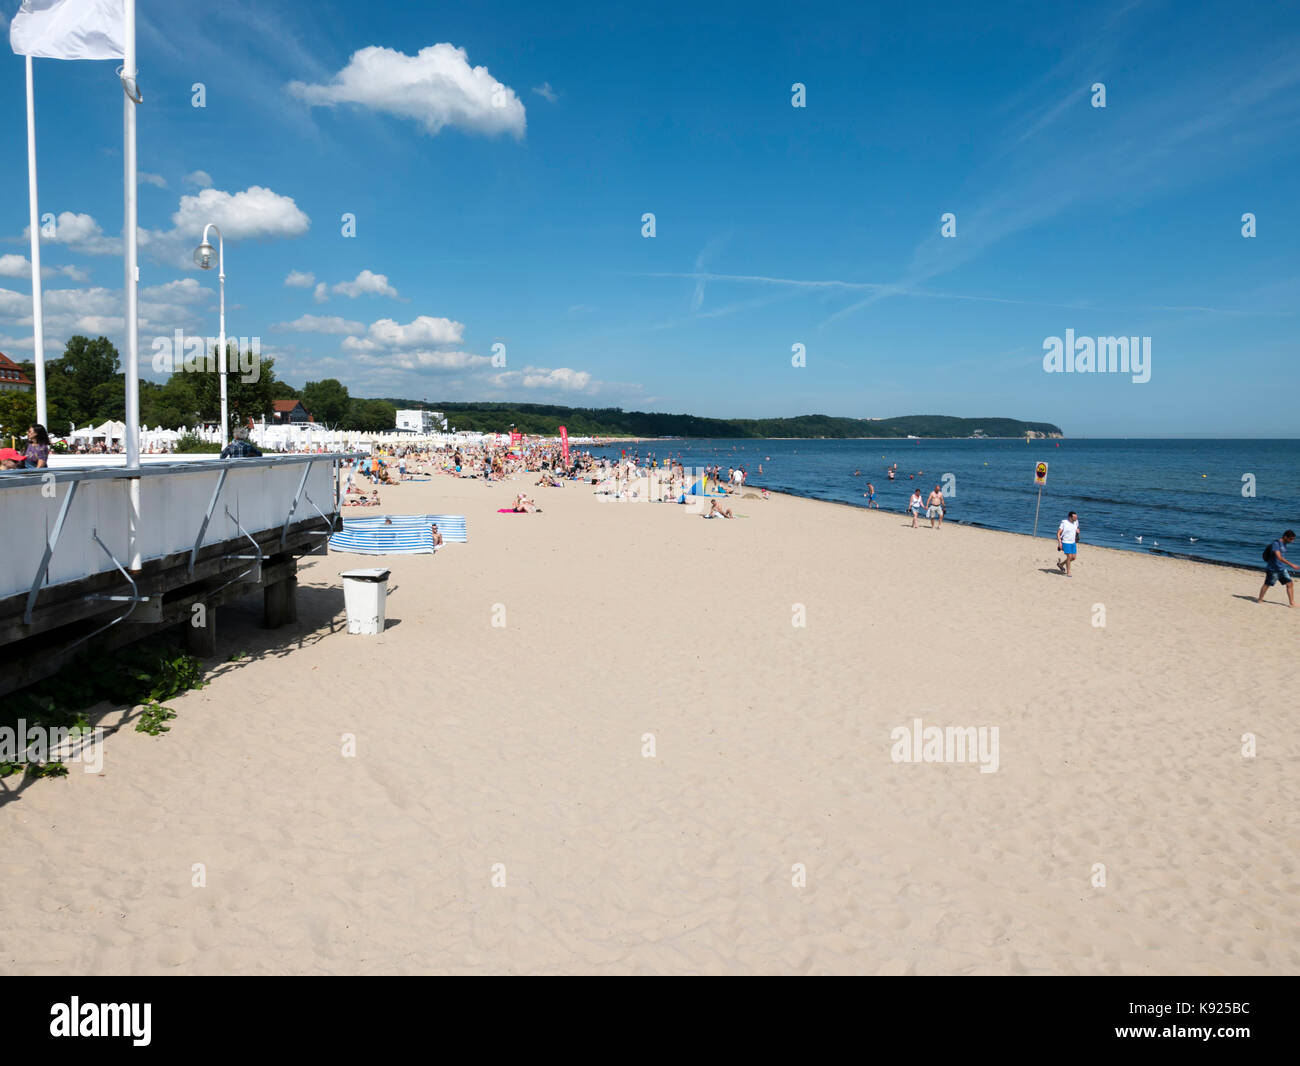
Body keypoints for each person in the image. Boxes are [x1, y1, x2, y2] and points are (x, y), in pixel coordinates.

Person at [1257, 530, 1298, 607]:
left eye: (1293, 539)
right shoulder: (1276, 544)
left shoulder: (1284, 543)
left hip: (1282, 569)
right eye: (1291, 539)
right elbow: (1279, 557)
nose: (1292, 541)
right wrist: (1292, 564)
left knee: (1290, 583)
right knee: (1267, 584)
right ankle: (1260, 599)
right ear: (1285, 537)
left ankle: (1292, 602)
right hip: (1273, 569)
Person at [1057, 511, 1081, 576]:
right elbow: (1058, 533)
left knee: (1073, 558)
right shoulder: (1064, 522)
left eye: (1076, 516)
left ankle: (1061, 564)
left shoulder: (1076, 522)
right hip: (1065, 542)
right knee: (1069, 556)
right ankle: (1068, 572)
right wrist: (1060, 543)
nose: (1076, 518)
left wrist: (1077, 531)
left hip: (1073, 542)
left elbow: (1075, 530)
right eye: (1074, 517)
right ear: (1070, 517)